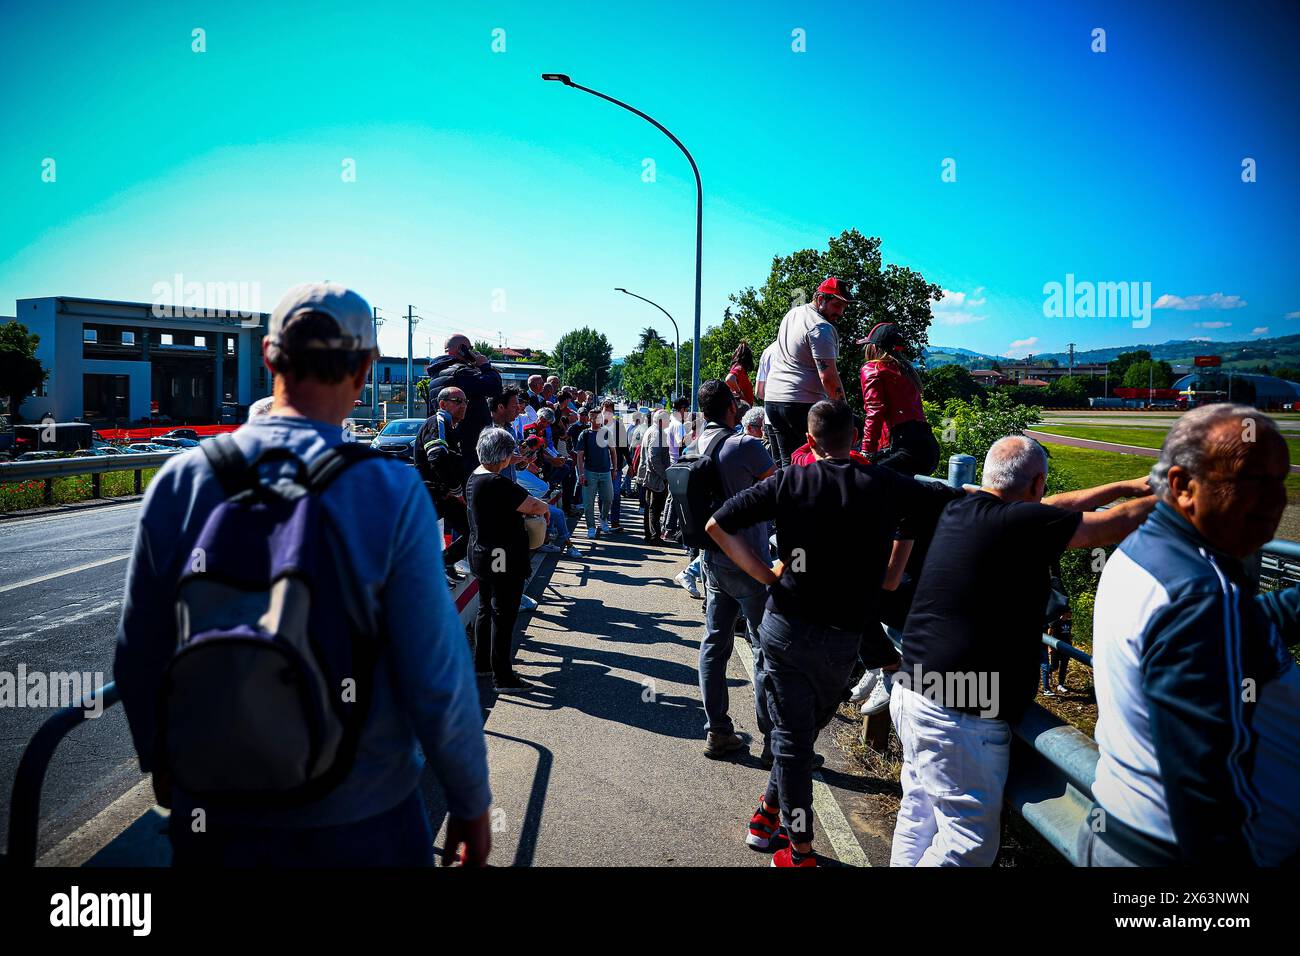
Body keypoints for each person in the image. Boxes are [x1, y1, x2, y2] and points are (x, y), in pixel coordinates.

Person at [115, 282, 491, 866]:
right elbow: (434, 668)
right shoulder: (388, 490)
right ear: (366, 366)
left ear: (269, 358)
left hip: (217, 814)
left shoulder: (181, 481)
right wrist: (469, 796)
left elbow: (140, 646)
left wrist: (161, 762)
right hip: (363, 815)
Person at [706, 400, 963, 867]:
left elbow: (716, 526)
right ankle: (773, 822)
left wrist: (766, 574)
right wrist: (896, 555)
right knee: (797, 741)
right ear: (856, 438)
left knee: (793, 742)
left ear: (808, 440)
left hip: (786, 633)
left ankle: (795, 847)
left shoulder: (790, 481)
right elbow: (947, 508)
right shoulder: (886, 484)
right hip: (843, 643)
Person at [890, 436, 1154, 867]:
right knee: (967, 843)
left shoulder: (963, 507)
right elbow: (1113, 525)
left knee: (919, 813)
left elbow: (1052, 505)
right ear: (1036, 484)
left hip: (914, 689)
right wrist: (1183, 494)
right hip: (961, 715)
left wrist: (1122, 485)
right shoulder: (1022, 524)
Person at [1087, 403, 1300, 867]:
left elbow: (1223, 632)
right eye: (1253, 480)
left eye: (1281, 481)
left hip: (1124, 831)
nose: (1277, 500)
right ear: (1184, 486)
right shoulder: (1202, 593)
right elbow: (1204, 786)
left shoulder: (1146, 551)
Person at [692, 381, 777, 759]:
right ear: (731, 409)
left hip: (712, 557)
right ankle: (774, 742)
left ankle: (718, 732)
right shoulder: (745, 445)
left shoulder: (698, 444)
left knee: (714, 643)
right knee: (764, 649)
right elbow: (780, 487)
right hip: (750, 560)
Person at [467, 427, 551, 692]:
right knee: (504, 615)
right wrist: (546, 508)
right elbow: (536, 506)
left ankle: (482, 664)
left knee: (485, 610)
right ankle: (502, 676)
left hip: (481, 553)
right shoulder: (498, 483)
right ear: (503, 456)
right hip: (502, 556)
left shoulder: (475, 477)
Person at [762, 277, 850, 467]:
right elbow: (828, 377)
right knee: (813, 465)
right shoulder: (821, 327)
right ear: (820, 299)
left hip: (774, 400)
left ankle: (787, 495)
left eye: (844, 306)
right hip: (800, 403)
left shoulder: (793, 314)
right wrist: (844, 413)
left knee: (788, 466)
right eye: (836, 305)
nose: (840, 312)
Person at [857, 322, 939, 476]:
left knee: (861, 478)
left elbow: (875, 412)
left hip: (903, 448)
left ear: (873, 347)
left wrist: (866, 453)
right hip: (928, 448)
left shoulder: (873, 369)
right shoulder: (907, 369)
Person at [414, 386, 470, 585]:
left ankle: (441, 564)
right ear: (442, 404)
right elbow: (436, 456)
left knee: (472, 531)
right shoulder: (438, 422)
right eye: (458, 401)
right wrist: (455, 489)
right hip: (432, 493)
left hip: (443, 494)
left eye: (465, 401)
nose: (463, 405)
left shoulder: (450, 427)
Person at [424, 335, 502, 475]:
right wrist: (485, 366)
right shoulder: (461, 372)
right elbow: (494, 387)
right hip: (471, 445)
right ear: (462, 349)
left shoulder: (435, 377)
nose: (473, 353)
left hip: (453, 444)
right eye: (470, 349)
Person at [574, 406, 614, 540]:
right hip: (590, 472)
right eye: (596, 417)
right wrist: (581, 474)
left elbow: (612, 451)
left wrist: (615, 469)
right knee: (588, 503)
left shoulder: (607, 432)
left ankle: (603, 519)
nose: (599, 419)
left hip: (605, 471)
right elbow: (580, 456)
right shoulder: (585, 434)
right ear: (590, 419)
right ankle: (591, 526)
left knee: (609, 498)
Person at [638, 409, 673, 544]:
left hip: (650, 475)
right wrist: (664, 475)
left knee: (650, 507)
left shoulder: (652, 431)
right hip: (655, 477)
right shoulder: (657, 433)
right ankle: (654, 536)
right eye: (667, 419)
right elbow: (654, 458)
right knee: (655, 507)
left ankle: (650, 534)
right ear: (661, 421)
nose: (669, 422)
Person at [726, 341, 757, 405]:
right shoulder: (739, 368)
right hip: (742, 409)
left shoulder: (740, 369)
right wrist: (739, 393)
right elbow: (729, 378)